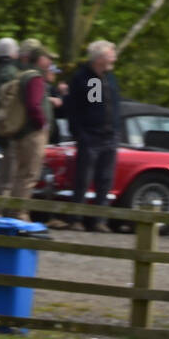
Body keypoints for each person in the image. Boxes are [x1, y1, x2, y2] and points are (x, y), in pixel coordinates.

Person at [63, 40, 121, 231]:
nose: (114, 58)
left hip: (109, 136)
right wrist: (81, 133)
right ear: (99, 58)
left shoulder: (108, 77)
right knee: (83, 179)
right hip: (91, 137)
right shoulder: (88, 78)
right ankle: (76, 218)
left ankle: (99, 220)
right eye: (110, 55)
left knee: (105, 180)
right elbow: (85, 108)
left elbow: (107, 106)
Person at [0, 41, 57, 221]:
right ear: (40, 59)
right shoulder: (35, 78)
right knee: (29, 175)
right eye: (48, 58)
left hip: (21, 132)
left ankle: (11, 211)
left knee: (19, 174)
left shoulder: (22, 75)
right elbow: (33, 105)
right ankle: (20, 213)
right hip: (33, 133)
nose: (50, 63)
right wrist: (42, 124)